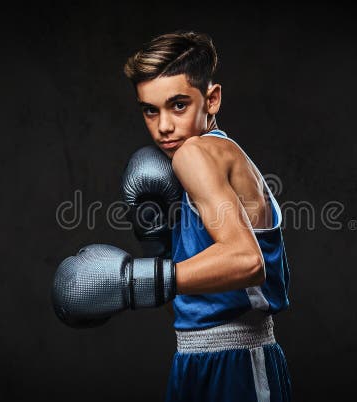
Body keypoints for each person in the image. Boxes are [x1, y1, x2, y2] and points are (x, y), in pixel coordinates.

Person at [123, 30, 293, 402]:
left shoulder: (195, 154)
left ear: (211, 99)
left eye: (178, 105)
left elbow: (248, 261)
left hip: (234, 364)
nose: (164, 126)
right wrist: (161, 245)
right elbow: (197, 305)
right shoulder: (221, 155)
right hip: (200, 355)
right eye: (150, 110)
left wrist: (137, 283)